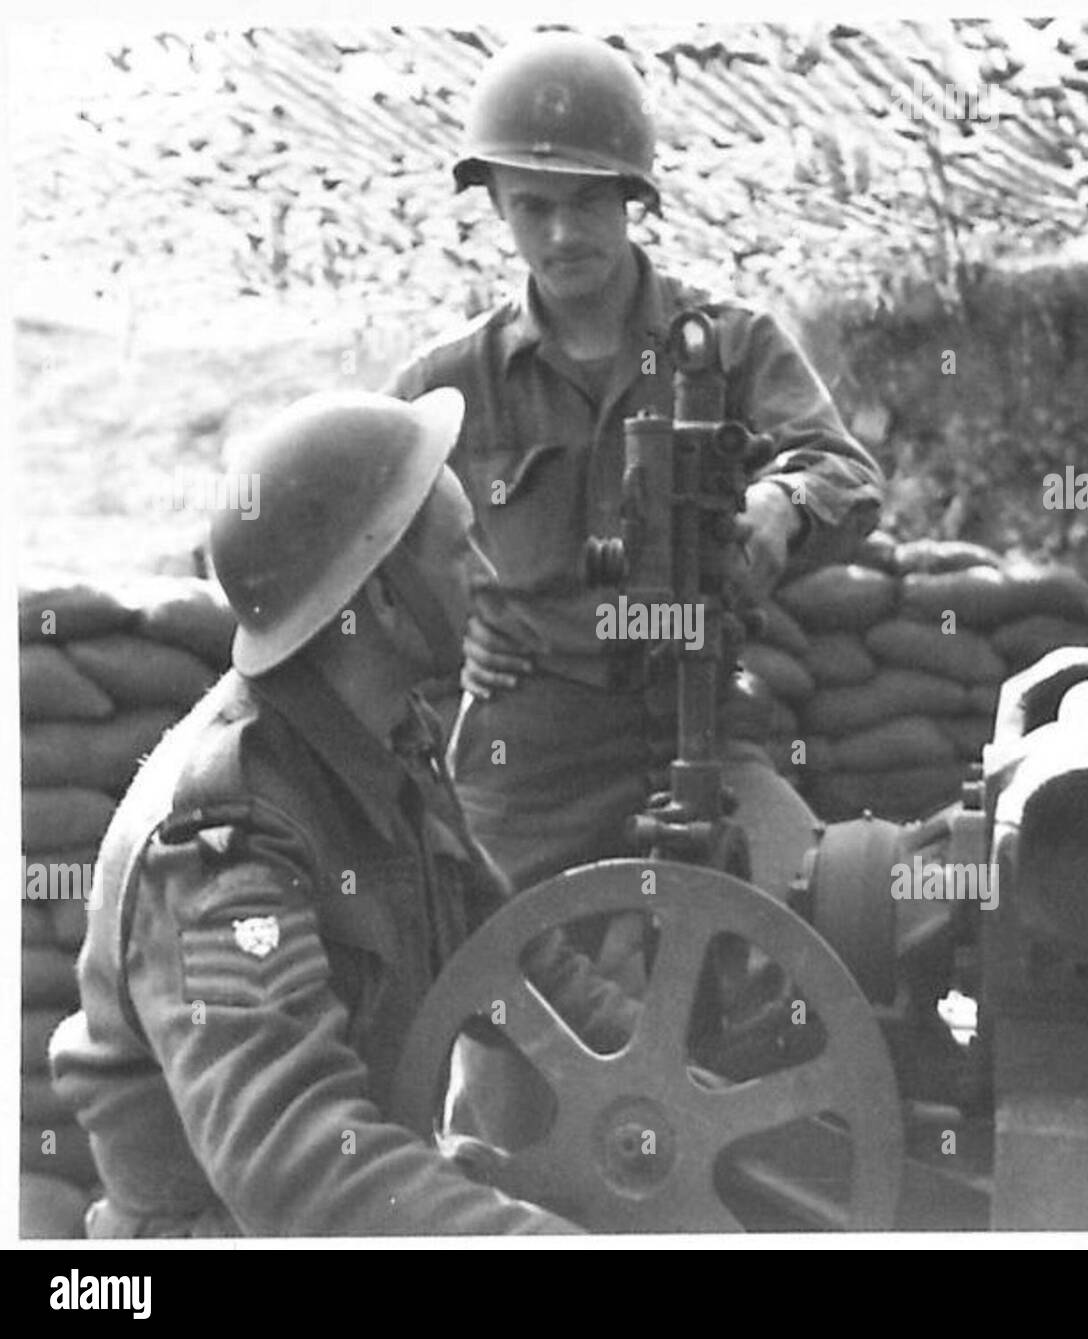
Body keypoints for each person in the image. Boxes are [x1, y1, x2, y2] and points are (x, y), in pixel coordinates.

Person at [49, 390, 632, 1237]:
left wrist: (672, 1082)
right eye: (459, 547)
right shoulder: (223, 836)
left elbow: (514, 963)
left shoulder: (386, 739)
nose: (490, 573)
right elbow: (299, 1160)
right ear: (384, 604)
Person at [383, 32, 886, 899]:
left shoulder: (727, 344)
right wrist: (451, 620)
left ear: (632, 199)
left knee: (813, 919)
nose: (562, 232)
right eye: (532, 206)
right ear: (496, 203)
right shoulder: (449, 382)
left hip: (699, 710)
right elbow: (358, 537)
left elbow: (846, 470)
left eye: (586, 203)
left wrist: (782, 504)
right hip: (532, 739)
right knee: (483, 959)